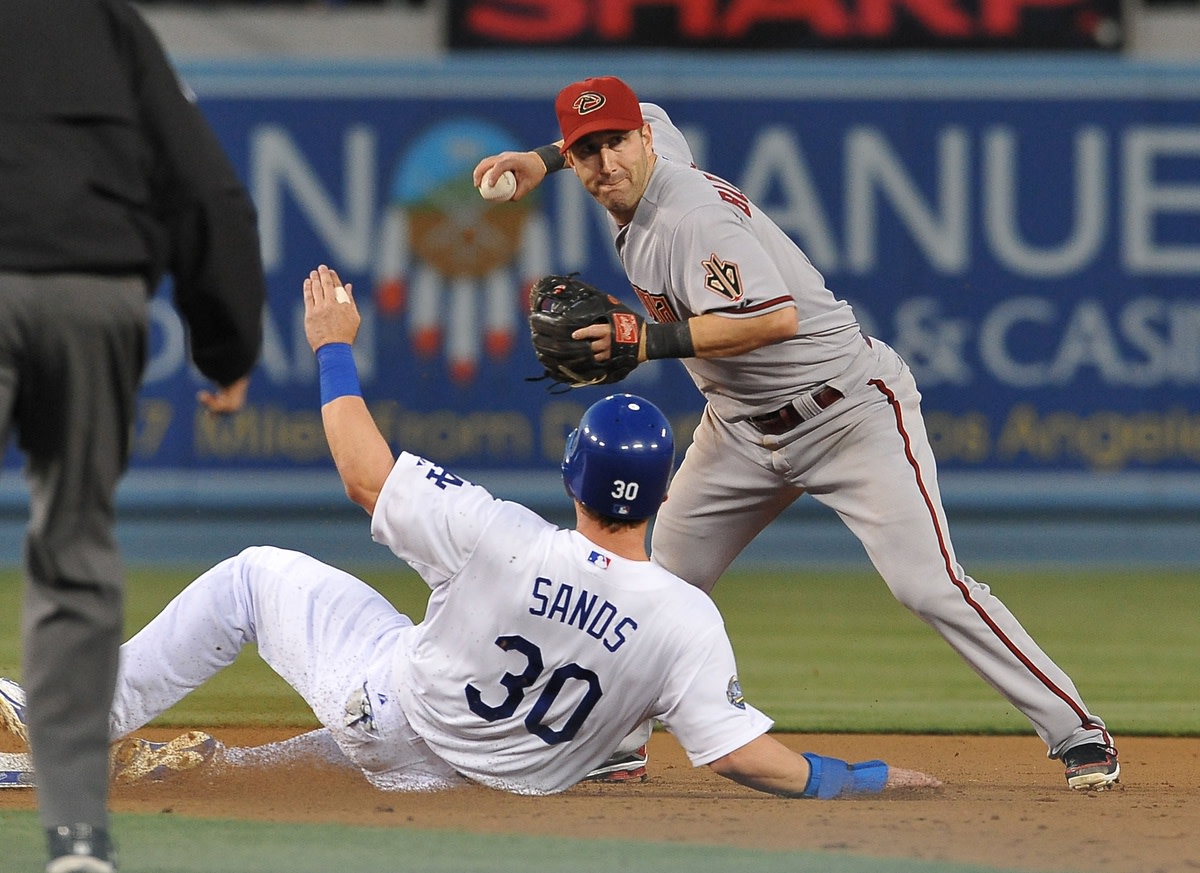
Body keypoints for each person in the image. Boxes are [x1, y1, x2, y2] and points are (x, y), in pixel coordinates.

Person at [1, 264, 941, 802]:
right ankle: (209, 760)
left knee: (254, 577)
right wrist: (860, 777)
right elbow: (744, 755)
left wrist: (332, 344)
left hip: (392, 719)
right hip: (482, 792)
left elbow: (362, 471)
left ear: (575, 473)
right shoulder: (683, 618)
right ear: (661, 494)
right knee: (574, 721)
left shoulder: (501, 536)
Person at [472, 76, 1119, 791]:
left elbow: (773, 318)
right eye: (585, 151)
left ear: (644, 144)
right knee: (656, 583)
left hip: (846, 414)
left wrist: (647, 342)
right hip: (740, 433)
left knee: (928, 585)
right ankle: (618, 742)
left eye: (615, 143)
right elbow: (646, 108)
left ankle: (1075, 728)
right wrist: (541, 158)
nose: (604, 163)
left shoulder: (691, 217)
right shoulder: (645, 157)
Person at [0, 1, 266, 869]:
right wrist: (226, 343)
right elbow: (207, 190)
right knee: (73, 558)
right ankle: (78, 839)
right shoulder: (106, 24)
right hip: (93, 294)